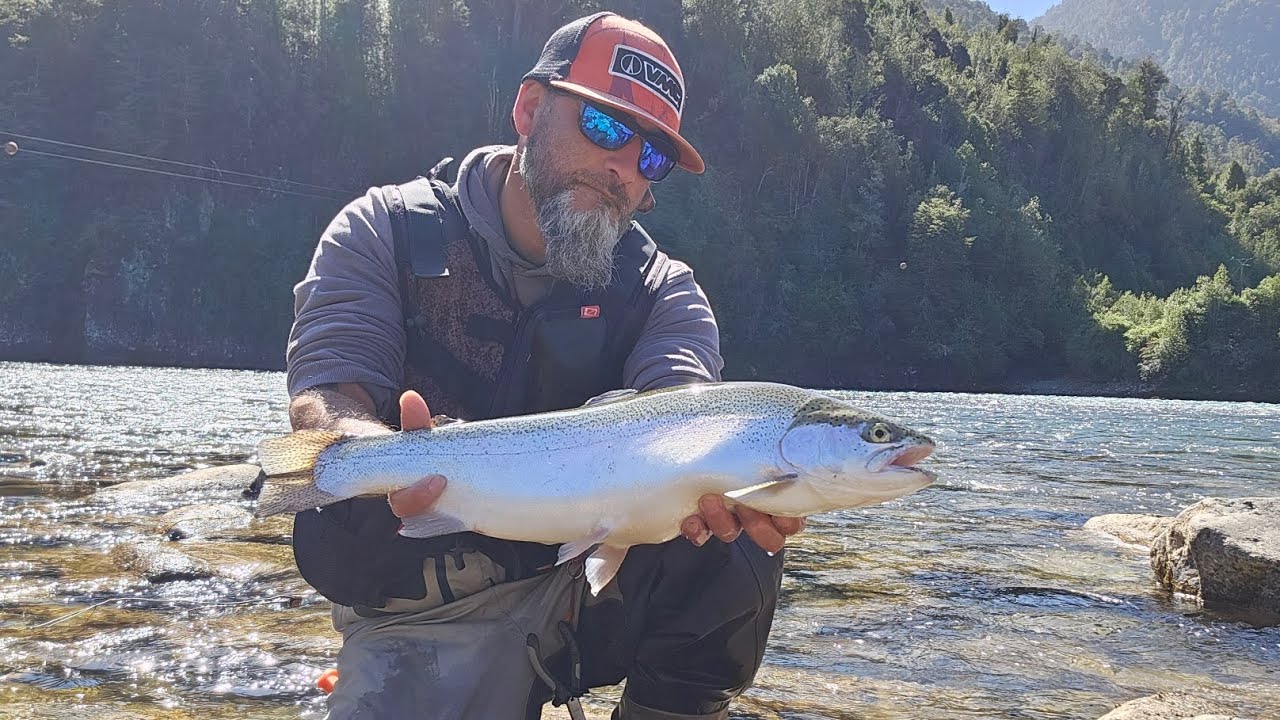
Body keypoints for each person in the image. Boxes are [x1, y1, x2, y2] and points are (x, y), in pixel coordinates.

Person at [283, 11, 806, 720]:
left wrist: (728, 486)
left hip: (587, 589)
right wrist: (369, 453)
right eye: (606, 126)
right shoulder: (383, 230)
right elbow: (326, 400)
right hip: (424, 604)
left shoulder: (662, 293)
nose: (624, 168)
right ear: (529, 110)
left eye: (651, 157)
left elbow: (687, 409)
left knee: (737, 547)